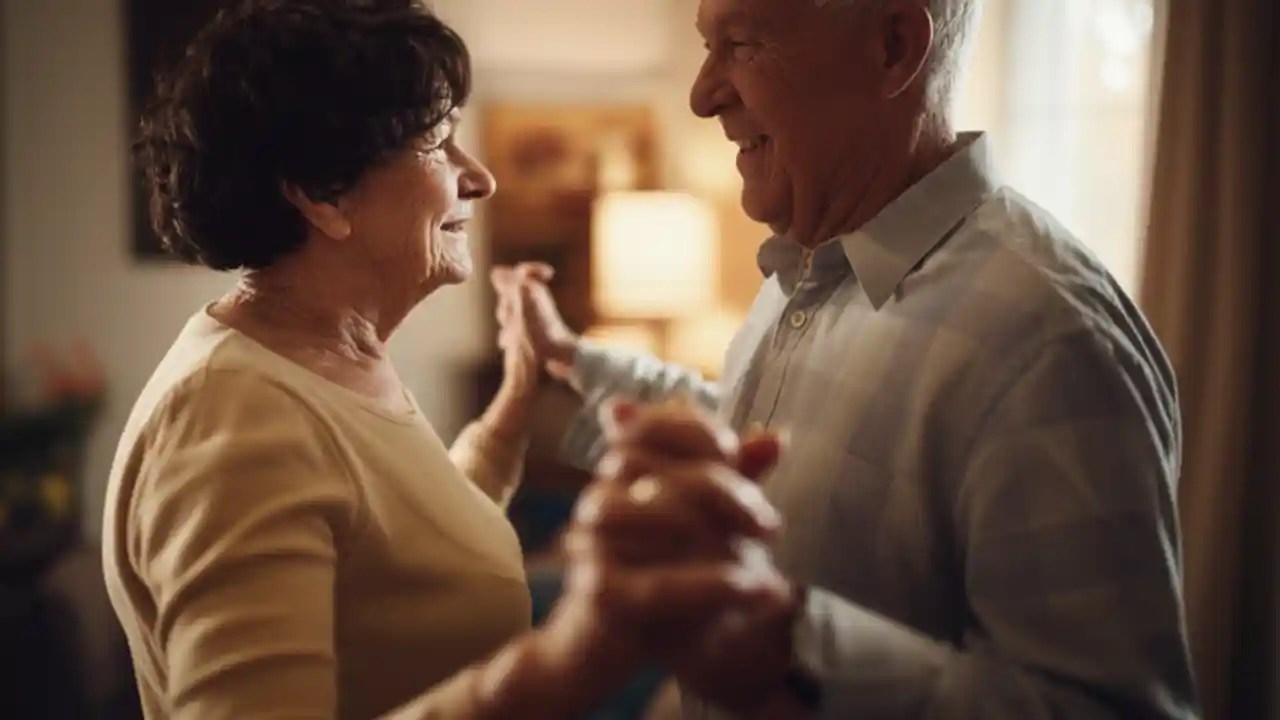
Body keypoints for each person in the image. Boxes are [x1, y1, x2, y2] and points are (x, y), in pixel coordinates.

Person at [496, 0, 1201, 717]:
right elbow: (774, 443)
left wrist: (791, 644)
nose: (702, 95)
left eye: (742, 43)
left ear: (894, 48)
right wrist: (568, 359)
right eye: (709, 46)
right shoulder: (811, 263)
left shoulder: (1050, 342)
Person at [100, 1, 793, 717]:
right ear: (320, 191)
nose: (479, 177)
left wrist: (515, 401)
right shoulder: (237, 420)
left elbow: (405, 552)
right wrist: (566, 659)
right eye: (438, 143)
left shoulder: (321, 361)